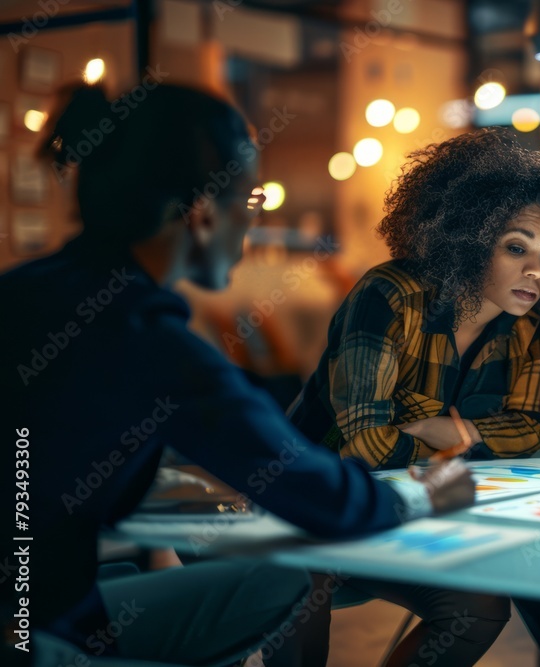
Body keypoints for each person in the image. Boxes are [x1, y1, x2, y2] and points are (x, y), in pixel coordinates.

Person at [0, 84, 473, 667]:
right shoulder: (149, 340)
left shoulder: (28, 292)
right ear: (201, 215)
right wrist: (422, 497)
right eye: (249, 204)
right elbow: (310, 489)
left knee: (278, 580)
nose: (252, 226)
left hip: (40, 610)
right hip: (31, 642)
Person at [288, 127, 540, 665]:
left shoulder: (527, 322)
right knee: (300, 609)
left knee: (482, 609)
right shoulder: (389, 296)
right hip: (305, 507)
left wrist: (454, 433)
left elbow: (532, 428)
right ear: (470, 238)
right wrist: (465, 441)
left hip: (407, 514)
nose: (537, 271)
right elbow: (365, 446)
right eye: (516, 247)